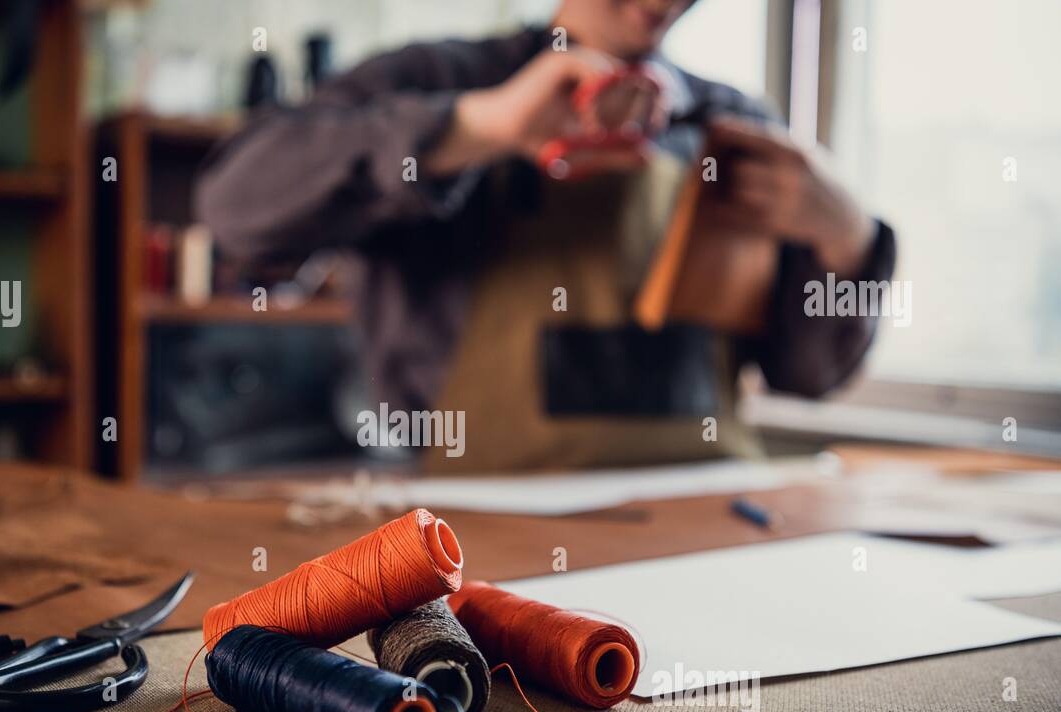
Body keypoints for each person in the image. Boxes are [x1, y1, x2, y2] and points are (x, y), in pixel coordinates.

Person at [197, 0, 896, 472]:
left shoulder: (735, 123)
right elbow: (234, 208)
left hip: (700, 508)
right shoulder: (435, 80)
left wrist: (848, 239)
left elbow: (809, 376)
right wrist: (477, 128)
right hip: (470, 529)